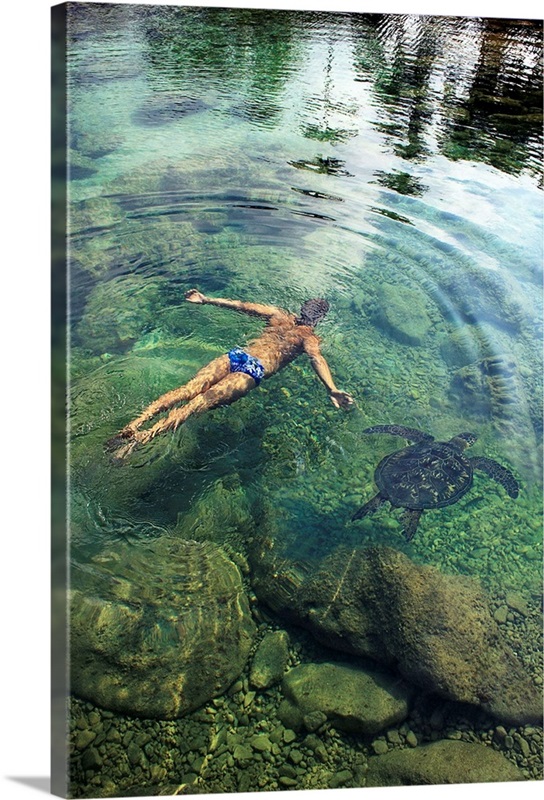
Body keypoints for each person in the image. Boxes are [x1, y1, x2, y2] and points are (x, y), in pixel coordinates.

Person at [107, 289, 354, 459]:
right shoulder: (309, 338)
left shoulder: (277, 315)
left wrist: (206, 299)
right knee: (196, 405)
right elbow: (316, 358)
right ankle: (142, 439)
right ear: (320, 319)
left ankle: (134, 424)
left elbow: (240, 306)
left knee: (187, 390)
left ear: (302, 308)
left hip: (237, 355)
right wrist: (331, 388)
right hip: (253, 370)